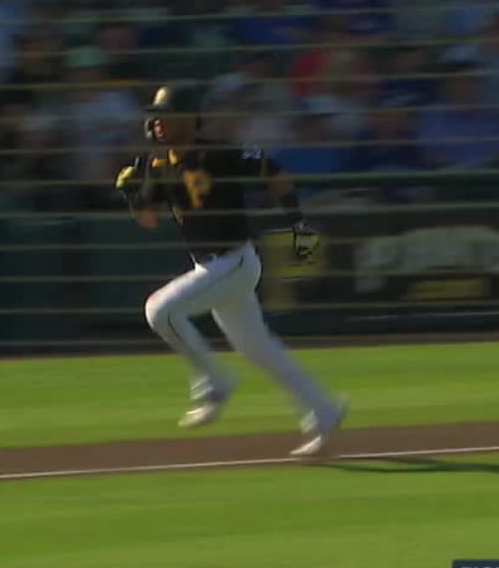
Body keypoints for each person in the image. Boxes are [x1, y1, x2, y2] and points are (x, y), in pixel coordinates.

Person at [113, 84, 347, 458]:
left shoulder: (218, 153)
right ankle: (325, 408)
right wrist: (132, 195)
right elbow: (149, 219)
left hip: (232, 260)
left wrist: (297, 223)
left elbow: (274, 172)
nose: (157, 123)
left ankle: (215, 382)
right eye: (155, 117)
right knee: (257, 348)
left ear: (188, 119)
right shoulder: (158, 165)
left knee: (159, 311)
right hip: (212, 267)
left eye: (165, 116)